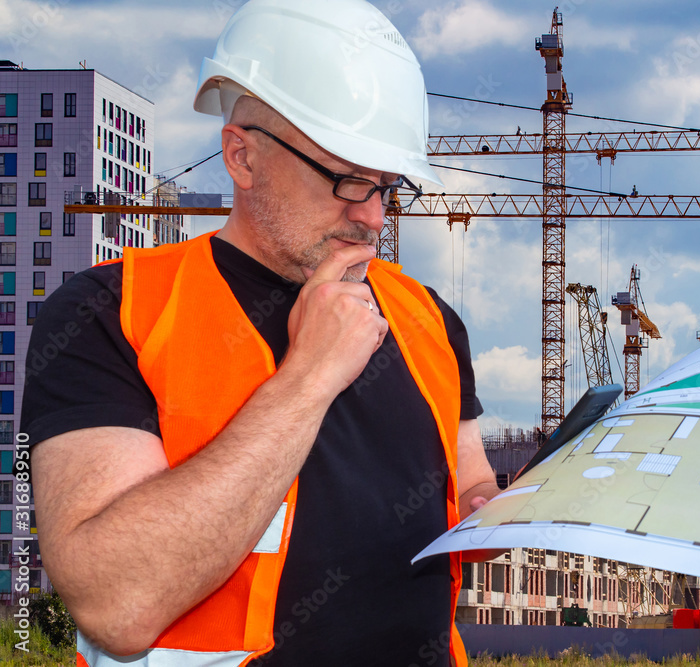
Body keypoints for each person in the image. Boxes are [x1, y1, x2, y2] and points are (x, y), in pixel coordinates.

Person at [20, 1, 500, 665]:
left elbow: (471, 484)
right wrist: (310, 375)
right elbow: (116, 602)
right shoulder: (110, 312)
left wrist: (515, 505)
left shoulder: (430, 319)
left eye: (387, 187)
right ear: (242, 157)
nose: (370, 216)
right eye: (346, 179)